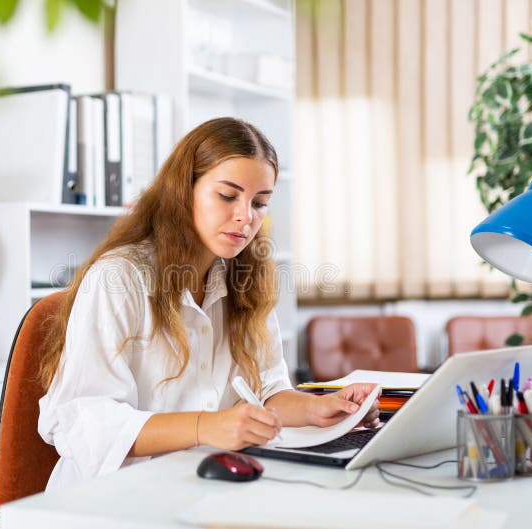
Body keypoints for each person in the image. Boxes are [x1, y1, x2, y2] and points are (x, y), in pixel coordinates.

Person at [37, 117, 379, 489]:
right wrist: (206, 426)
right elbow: (84, 420)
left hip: (198, 484)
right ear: (184, 191)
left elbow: (267, 393)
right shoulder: (119, 278)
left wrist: (320, 408)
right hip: (111, 496)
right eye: (228, 196)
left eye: (259, 203)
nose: (245, 217)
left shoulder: (246, 282)